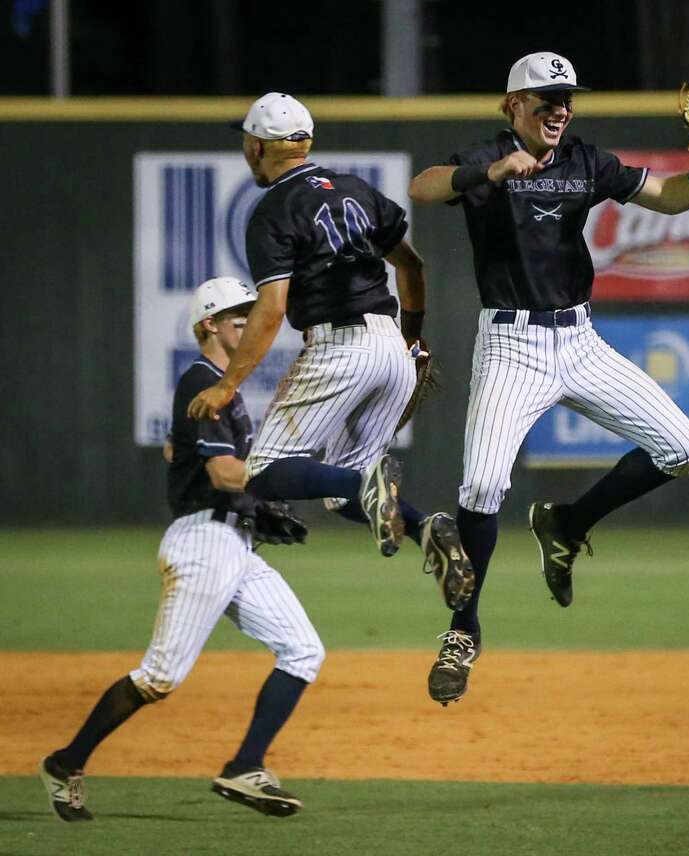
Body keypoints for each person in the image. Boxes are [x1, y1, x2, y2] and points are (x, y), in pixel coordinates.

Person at [409, 52, 689, 705]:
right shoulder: (487, 156)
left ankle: (566, 523)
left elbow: (670, 198)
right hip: (511, 344)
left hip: (580, 339)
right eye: (545, 98)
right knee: (480, 484)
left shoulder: (587, 161)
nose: (559, 109)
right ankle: (463, 631)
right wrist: (491, 171)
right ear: (513, 105)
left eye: (567, 99)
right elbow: (424, 185)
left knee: (684, 449)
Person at [40, 278, 324, 821]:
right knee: (159, 677)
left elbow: (207, 464)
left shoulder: (226, 388)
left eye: (250, 313)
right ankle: (64, 763)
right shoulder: (202, 381)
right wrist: (299, 480)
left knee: (303, 650)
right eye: (236, 316)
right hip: (204, 542)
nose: (247, 323)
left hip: (234, 543)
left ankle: (245, 766)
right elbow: (223, 475)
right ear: (208, 326)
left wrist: (258, 509)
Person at [187, 92, 473, 612]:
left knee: (267, 469)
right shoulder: (356, 189)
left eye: (247, 140)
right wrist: (410, 338)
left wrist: (227, 385)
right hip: (391, 345)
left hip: (339, 346)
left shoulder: (271, 210)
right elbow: (411, 266)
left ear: (257, 146)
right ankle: (426, 528)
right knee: (343, 495)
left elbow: (270, 310)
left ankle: (370, 481)